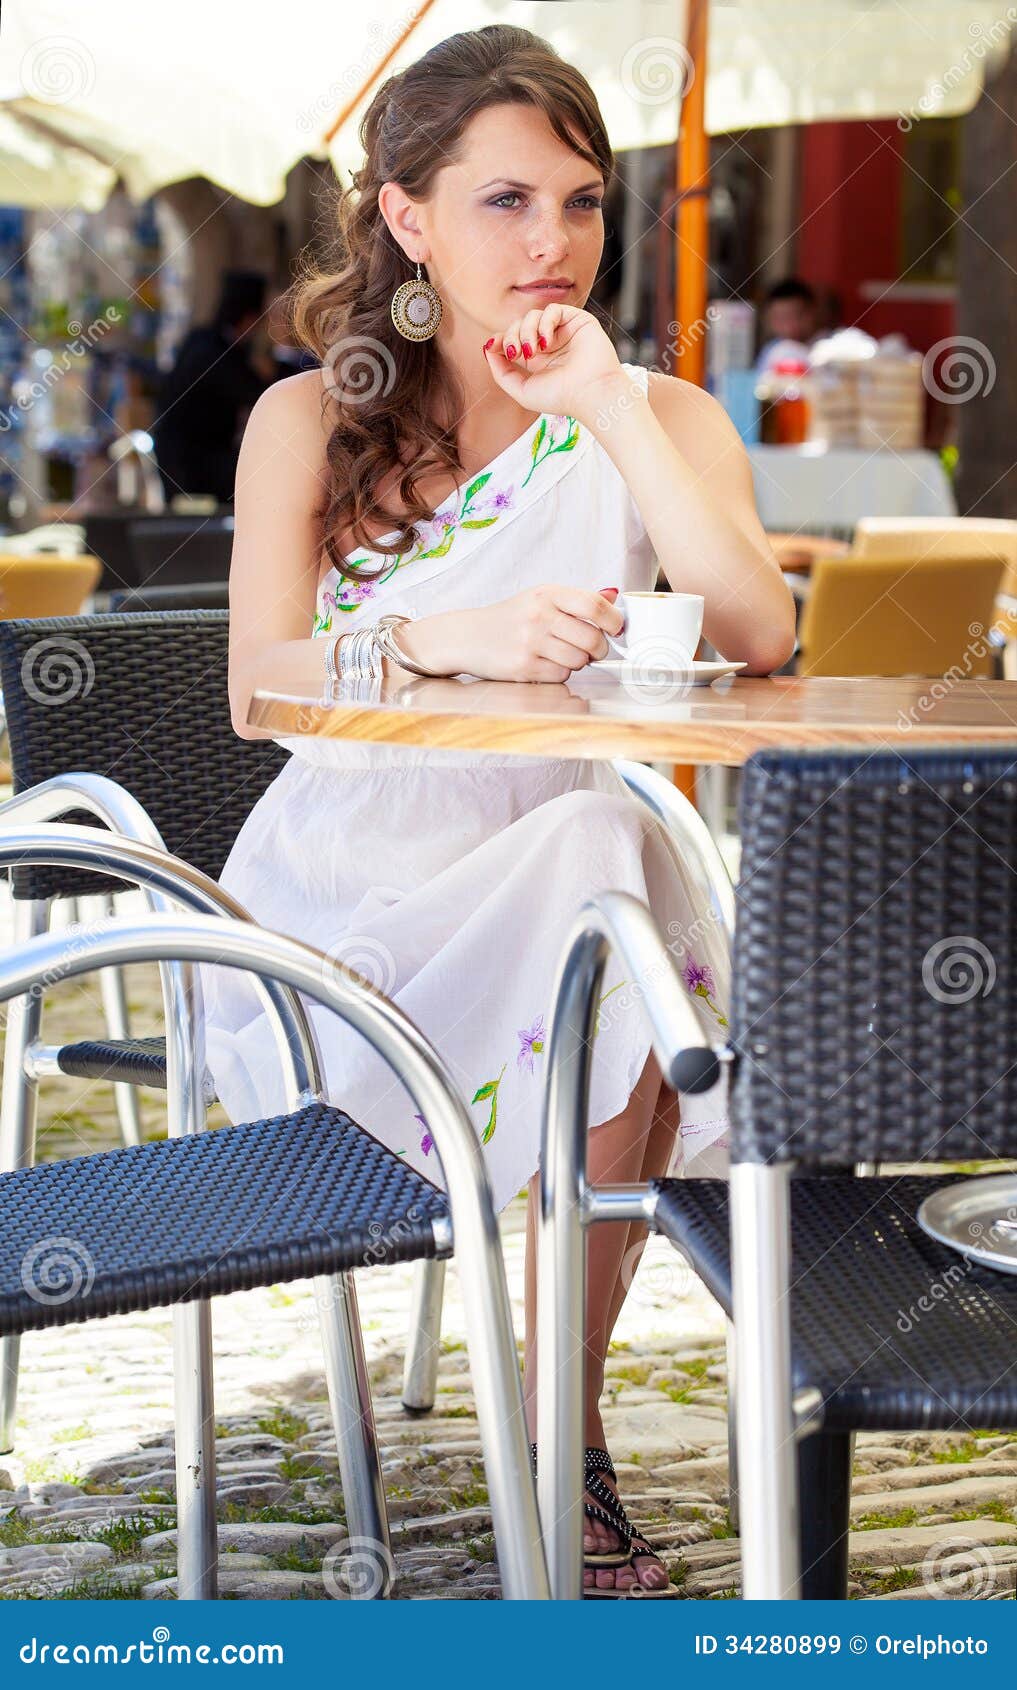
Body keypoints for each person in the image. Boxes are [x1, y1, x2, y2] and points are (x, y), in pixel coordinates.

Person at [202, 24, 795, 1596]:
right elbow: (257, 688)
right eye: (506, 202)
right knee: (624, 872)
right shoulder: (304, 421)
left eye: (582, 203)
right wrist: (437, 635)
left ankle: (557, 1419)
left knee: (610, 852)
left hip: (572, 876)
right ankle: (558, 1436)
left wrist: (609, 410)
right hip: (346, 917)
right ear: (407, 217)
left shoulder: (657, 414)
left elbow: (760, 633)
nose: (554, 243)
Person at [150, 270, 272, 503]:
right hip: (190, 463)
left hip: (193, 455)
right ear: (249, 317)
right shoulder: (213, 351)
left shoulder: (205, 340)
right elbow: (257, 393)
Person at [754, 275, 819, 375]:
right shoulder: (771, 351)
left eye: (797, 316)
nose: (790, 326)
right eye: (781, 319)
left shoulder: (830, 347)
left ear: (813, 312)